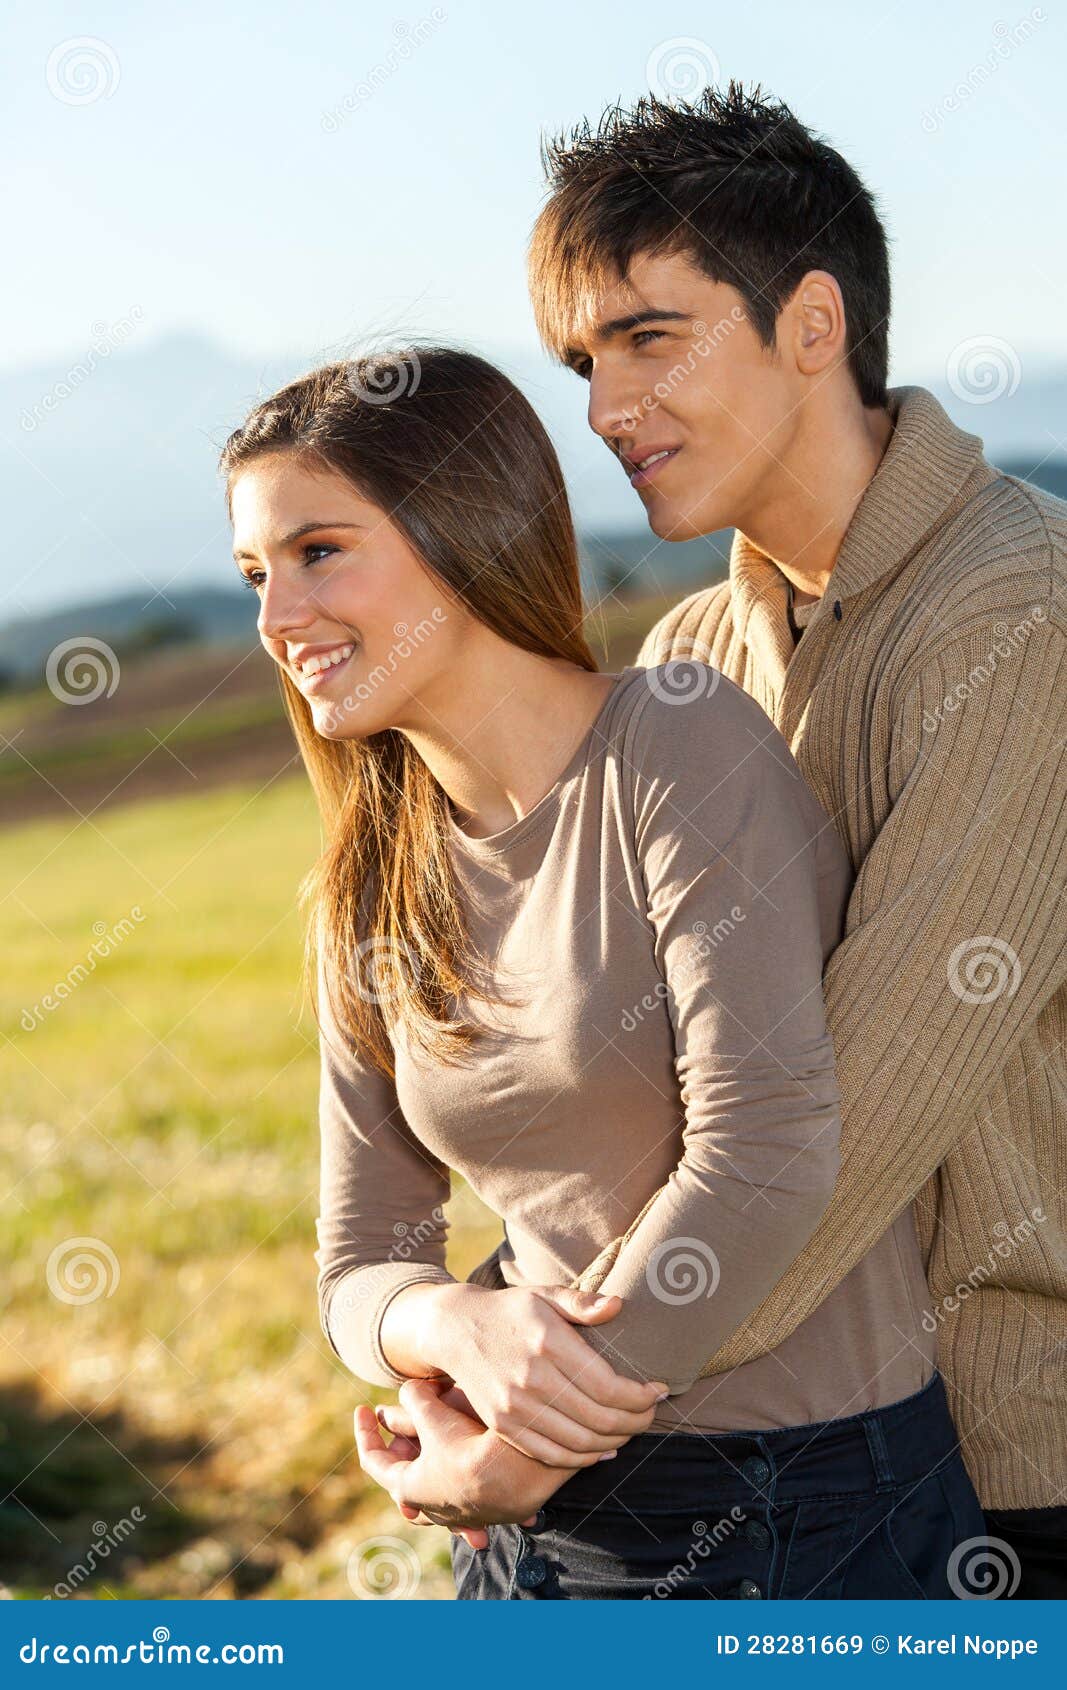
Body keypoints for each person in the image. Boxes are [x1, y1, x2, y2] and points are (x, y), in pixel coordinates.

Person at [220, 346, 986, 1599]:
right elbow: (362, 1253)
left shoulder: (674, 742)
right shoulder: (365, 879)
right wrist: (450, 1328)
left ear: (461, 529)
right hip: (529, 1532)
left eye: (317, 552)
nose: (275, 619)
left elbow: (770, 1143)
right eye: (255, 574)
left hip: (798, 1508)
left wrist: (522, 1436)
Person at [523, 80, 1066, 1596]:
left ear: (811, 323)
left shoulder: (1017, 611)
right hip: (768, 1447)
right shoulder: (688, 650)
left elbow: (856, 1105)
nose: (601, 410)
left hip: (1009, 1471)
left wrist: (554, 1404)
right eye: (581, 360)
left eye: (647, 336)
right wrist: (473, 1324)